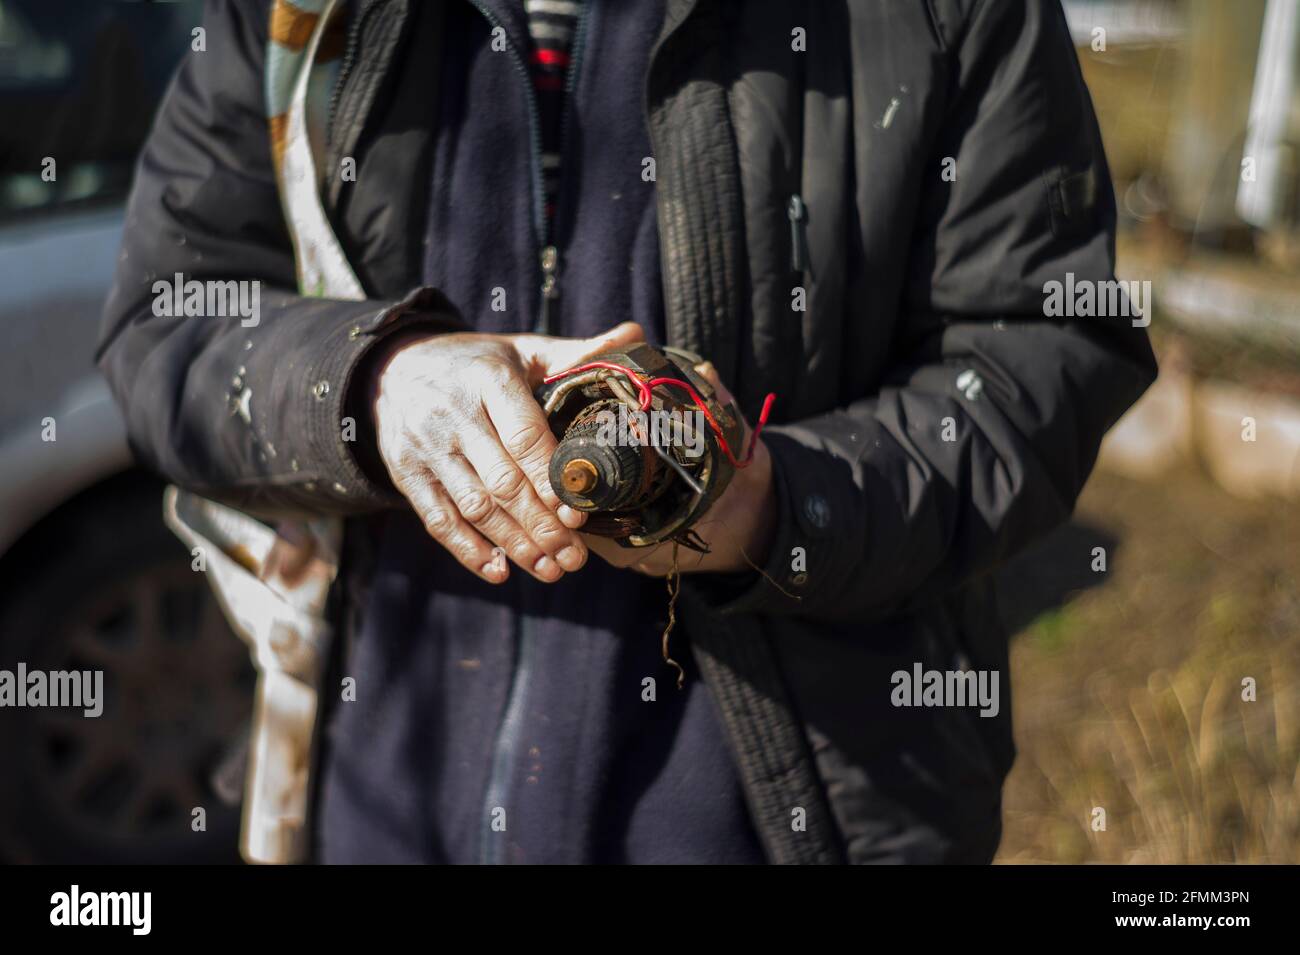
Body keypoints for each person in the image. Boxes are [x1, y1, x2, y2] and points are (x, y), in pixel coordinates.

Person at [98, 0, 1157, 864]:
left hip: (778, 813)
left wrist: (779, 505)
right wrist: (370, 381)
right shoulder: (299, 13)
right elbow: (167, 320)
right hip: (379, 800)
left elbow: (1041, 351)